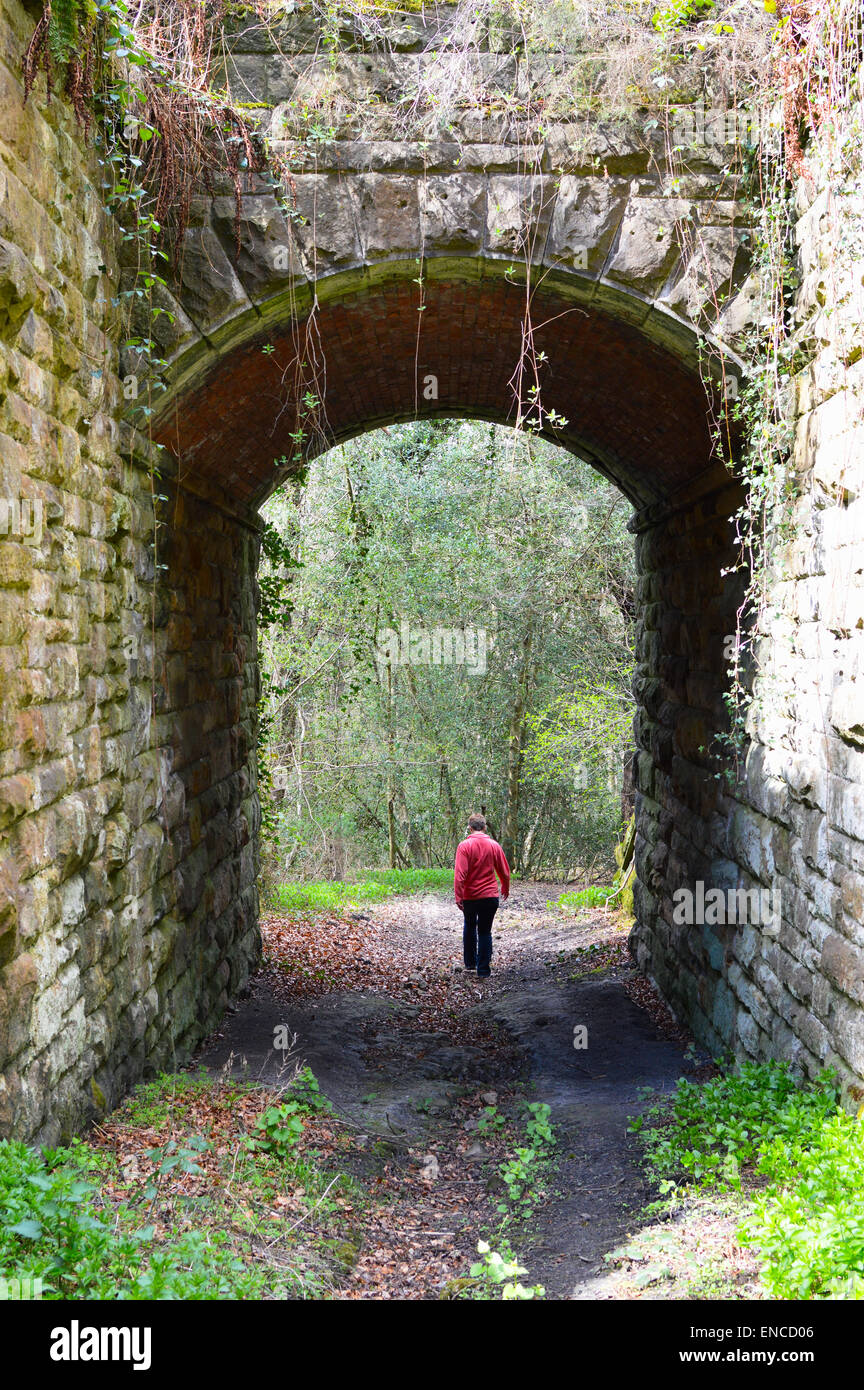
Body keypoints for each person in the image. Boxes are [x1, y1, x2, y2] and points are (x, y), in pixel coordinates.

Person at [454, 813, 510, 978]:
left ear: (470, 828)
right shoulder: (494, 845)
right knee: (485, 931)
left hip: (470, 896)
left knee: (470, 926)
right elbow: (504, 871)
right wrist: (505, 887)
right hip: (490, 896)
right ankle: (483, 970)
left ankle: (470, 964)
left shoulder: (464, 846)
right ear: (485, 828)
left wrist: (458, 896)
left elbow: (460, 875)